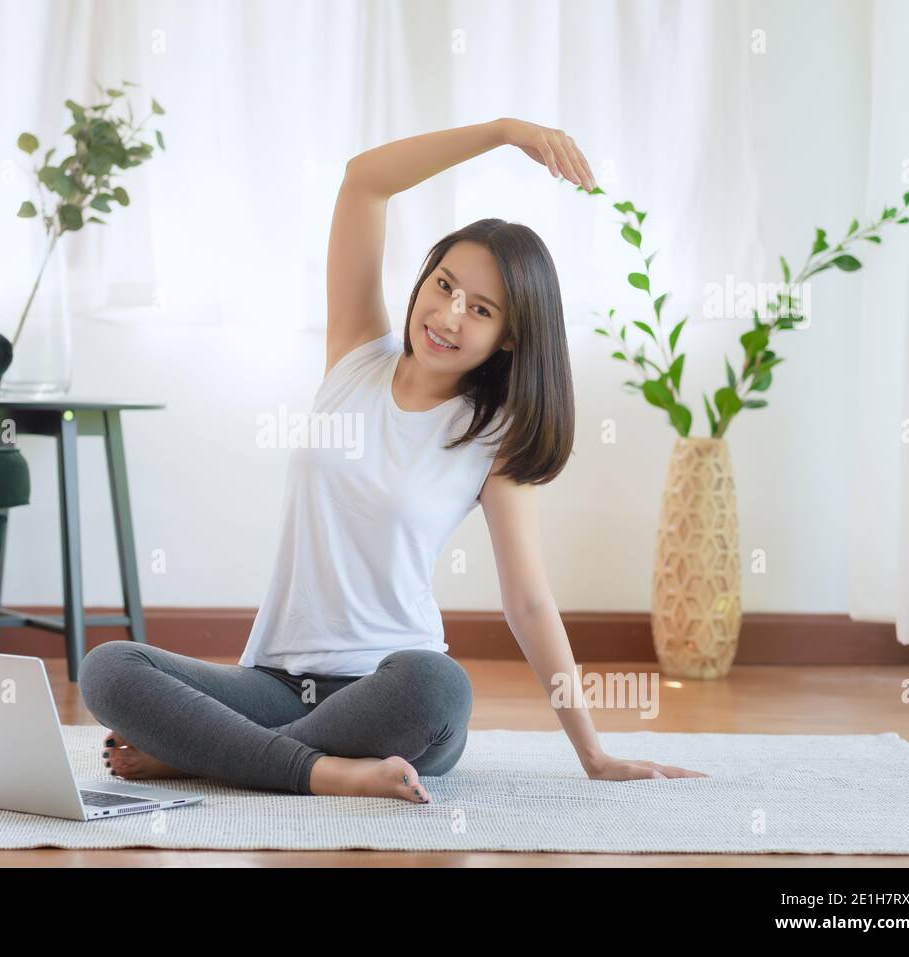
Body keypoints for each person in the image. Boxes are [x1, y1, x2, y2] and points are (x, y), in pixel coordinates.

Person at [79, 117, 707, 803]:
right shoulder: (356, 355)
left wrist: (594, 751)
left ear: (507, 338)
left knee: (441, 686)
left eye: (480, 308)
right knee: (110, 668)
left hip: (391, 698)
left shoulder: (492, 434)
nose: (448, 314)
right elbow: (364, 182)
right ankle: (315, 767)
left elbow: (527, 600)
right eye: (443, 284)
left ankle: (217, 754)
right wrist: (500, 133)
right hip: (271, 683)